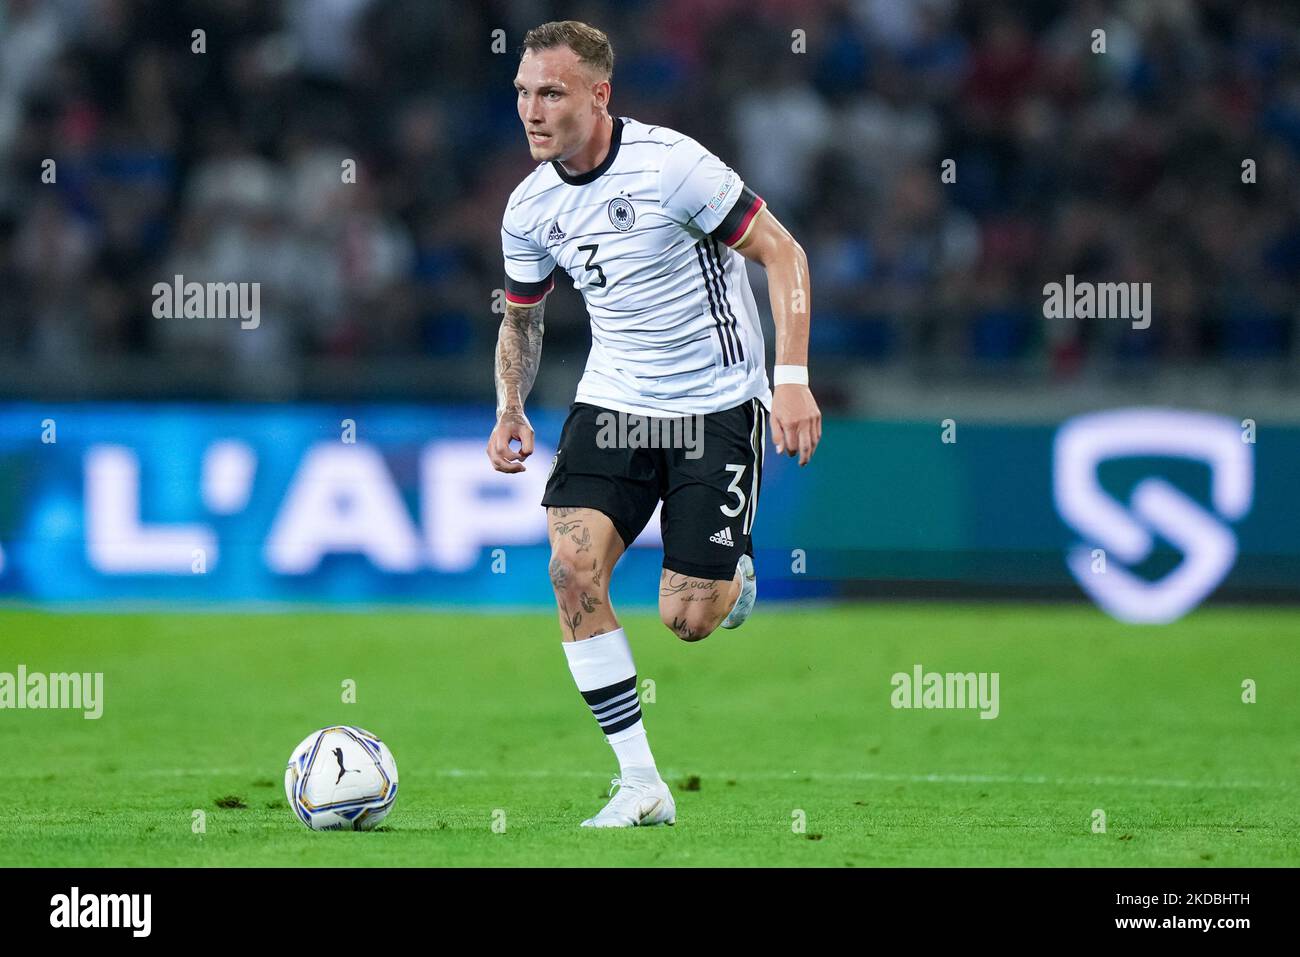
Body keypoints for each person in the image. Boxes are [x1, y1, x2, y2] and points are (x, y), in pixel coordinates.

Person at [487, 20, 821, 827]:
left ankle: (729, 575)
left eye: (552, 93)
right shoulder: (529, 208)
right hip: (615, 402)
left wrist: (793, 381)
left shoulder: (675, 167)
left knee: (687, 618)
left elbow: (785, 255)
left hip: (716, 402)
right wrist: (509, 406)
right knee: (570, 571)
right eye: (525, 93)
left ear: (599, 96)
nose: (533, 110)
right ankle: (642, 782)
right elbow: (522, 321)